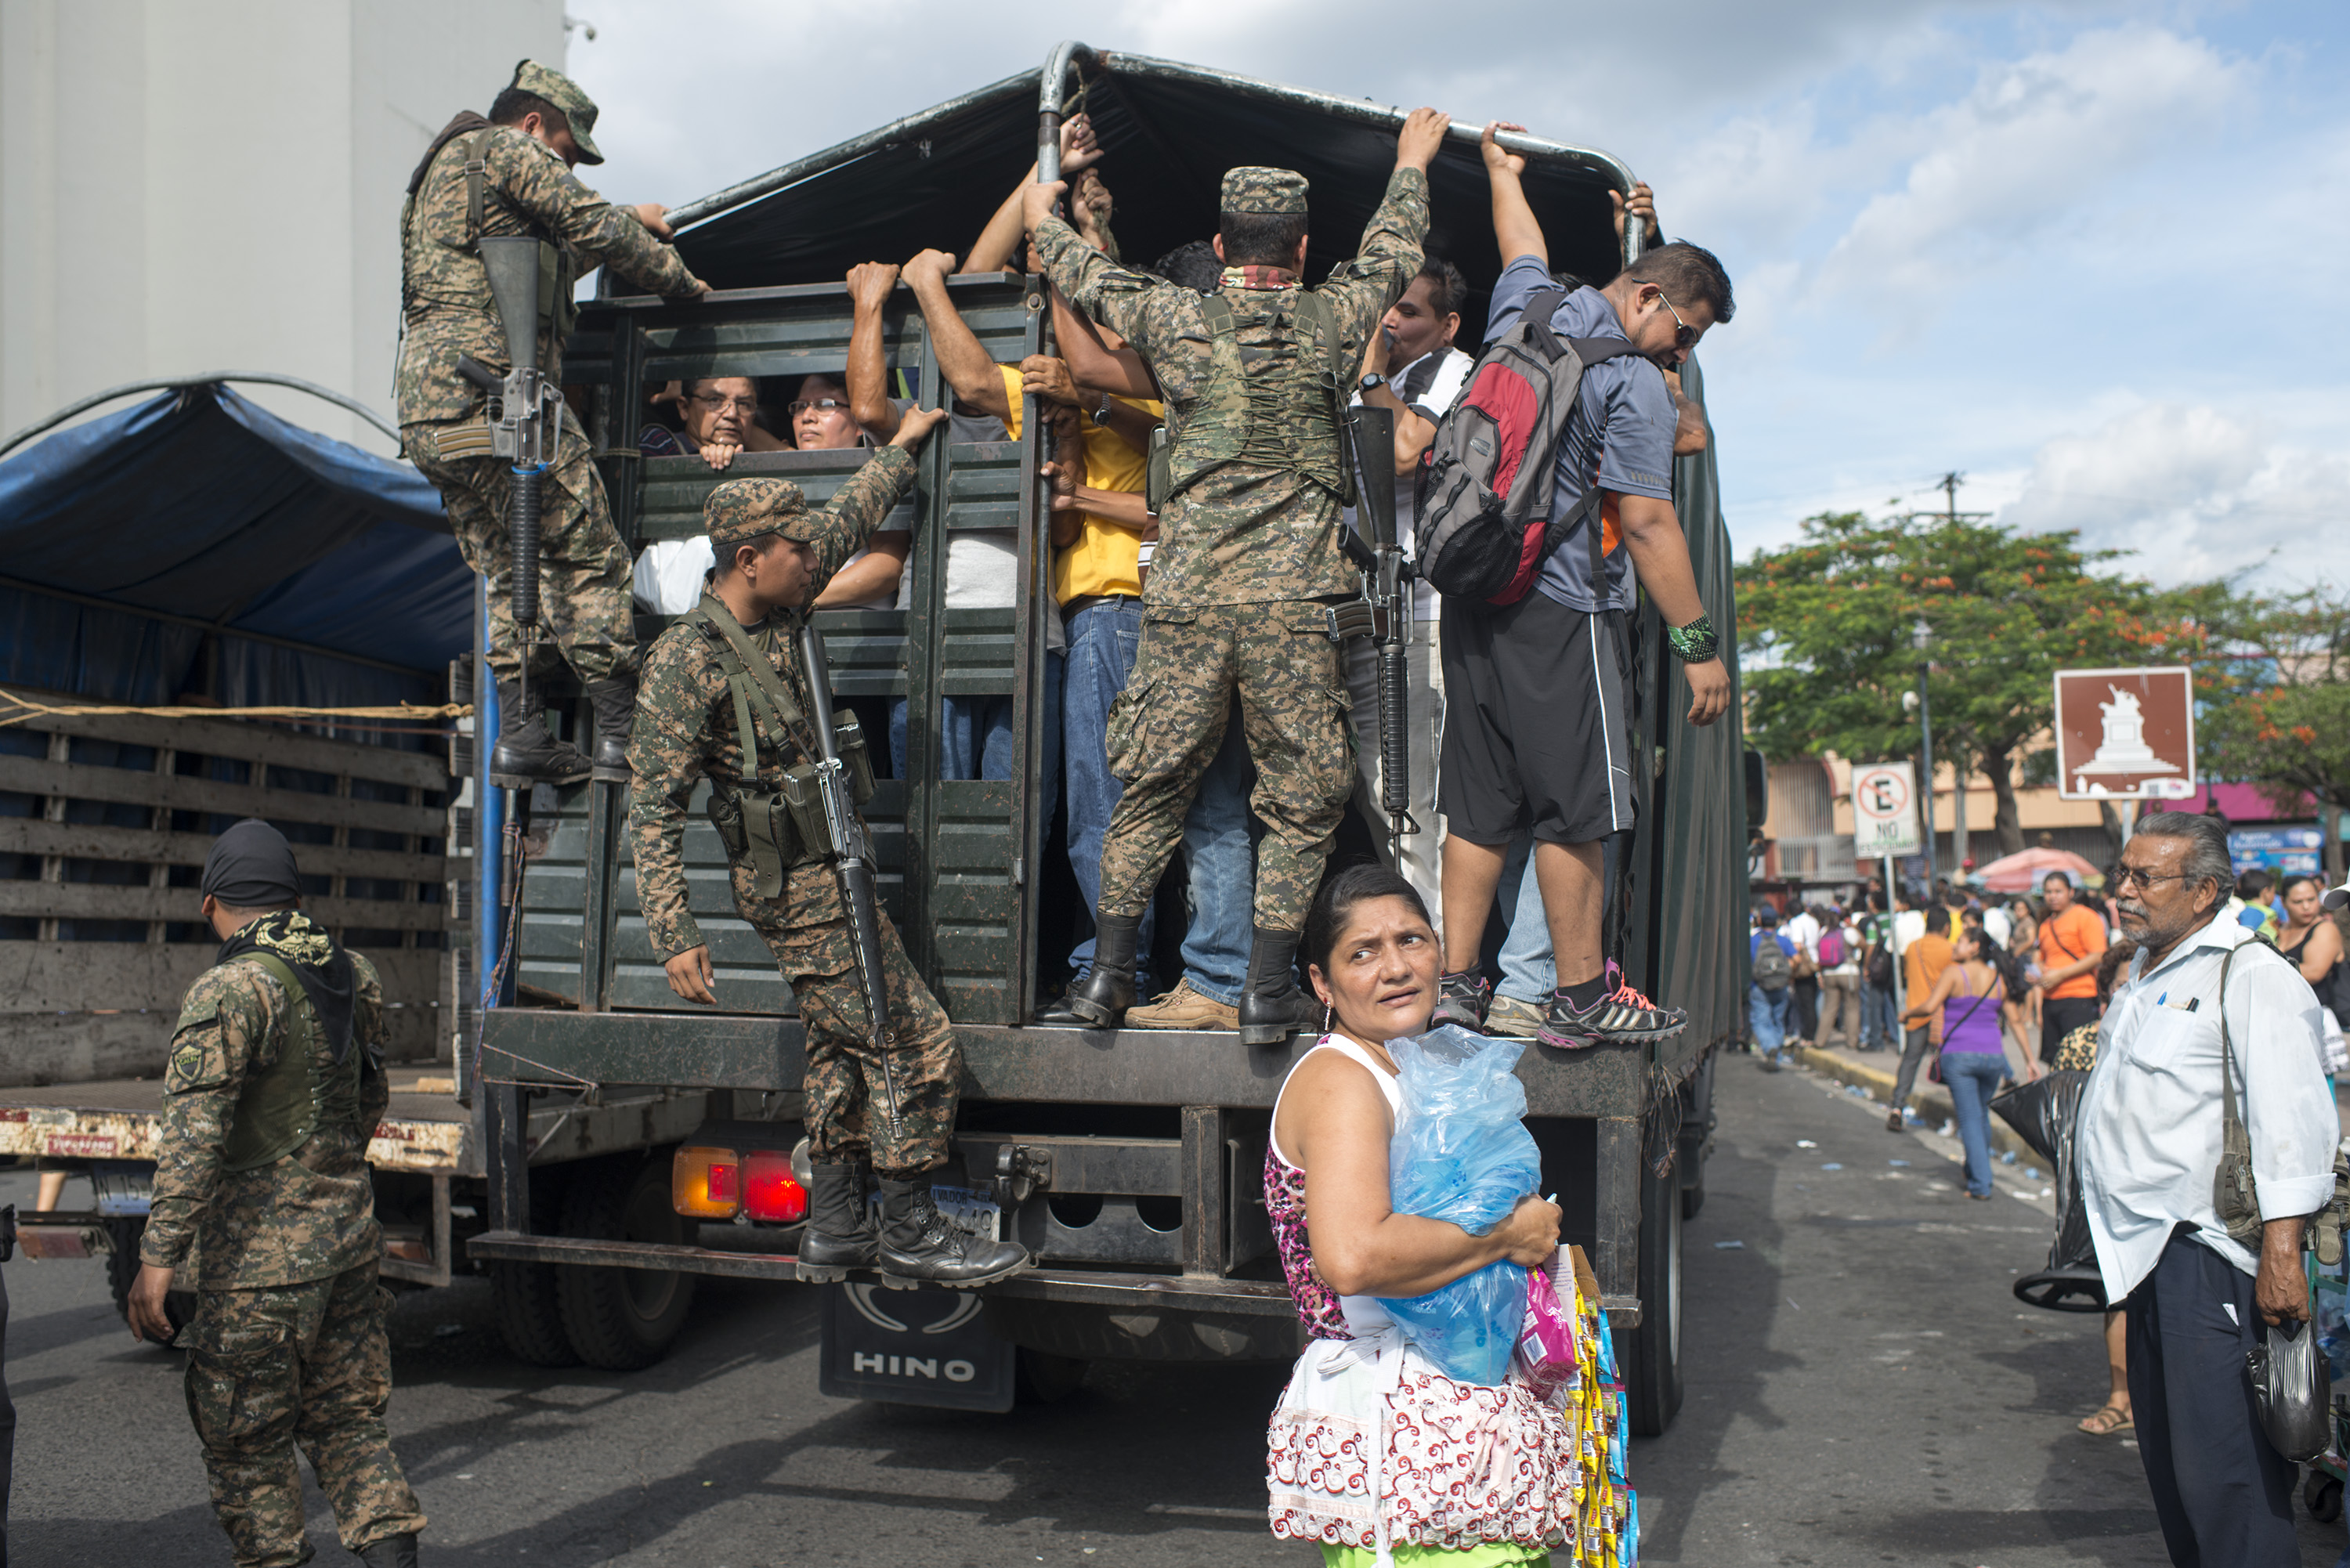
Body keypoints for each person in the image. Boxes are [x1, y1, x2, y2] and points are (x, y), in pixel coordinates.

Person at [1024, 109, 1452, 1043]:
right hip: (1294, 612)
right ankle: (1264, 989)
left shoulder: (1170, 314)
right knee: (1302, 799)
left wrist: (1045, 201)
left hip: (1185, 606)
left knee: (1151, 787)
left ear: (1220, 247)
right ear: (1301, 248)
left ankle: (1107, 978)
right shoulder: (1339, 315)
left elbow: (1073, 265)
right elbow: (1393, 245)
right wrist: (1412, 159)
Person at [627, 423, 1030, 1288]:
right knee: (908, 1036)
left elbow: (850, 514)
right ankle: (912, 1230)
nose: (814, 559)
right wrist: (673, 932)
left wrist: (904, 446)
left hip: (830, 866)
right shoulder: (684, 663)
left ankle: (839, 1226)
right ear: (747, 559)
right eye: (796, 550)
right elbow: (653, 807)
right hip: (791, 884)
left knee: (838, 1048)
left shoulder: (785, 600)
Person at [1430, 123, 1733, 1050]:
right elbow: (1646, 524)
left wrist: (1500, 171)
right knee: (1581, 808)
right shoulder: (1633, 382)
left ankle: (1455, 986)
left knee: (1479, 806)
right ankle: (1576, 996)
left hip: (1473, 594)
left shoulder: (1525, 309)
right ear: (1648, 298)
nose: (1680, 353)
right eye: (1685, 333)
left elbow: (1519, 243)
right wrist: (1698, 645)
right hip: (1564, 609)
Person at [398, 60, 707, 788]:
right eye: (565, 154)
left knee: (512, 567)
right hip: (498, 397)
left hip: (430, 411)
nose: (565, 169)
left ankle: (523, 735)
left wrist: (630, 216)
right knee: (589, 555)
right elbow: (586, 221)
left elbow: (548, 254)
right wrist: (681, 282)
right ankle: (625, 738)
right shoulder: (506, 147)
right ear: (534, 123)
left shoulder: (449, 173)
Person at [126, 820, 425, 1567]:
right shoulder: (351, 971)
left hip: (257, 1268)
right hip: (347, 1243)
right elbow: (369, 1098)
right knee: (350, 1426)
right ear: (293, 897)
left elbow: (194, 1141)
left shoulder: (229, 989)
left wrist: (157, 1261)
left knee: (248, 1448)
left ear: (210, 904)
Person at [1262, 864, 1574, 1559]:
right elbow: (1354, 1258)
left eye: (1412, 940)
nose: (1396, 968)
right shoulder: (1342, 1080)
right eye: (1362, 953)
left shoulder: (1412, 1066)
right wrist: (1506, 1235)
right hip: (1398, 1429)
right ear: (1322, 984)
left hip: (1445, 1418)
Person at [2077, 812, 2337, 1565]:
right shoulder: (2145, 968)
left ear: (2204, 892)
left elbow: (2294, 1123)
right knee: (2173, 1471)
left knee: (2227, 1477)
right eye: (2122, 873)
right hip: (2143, 1252)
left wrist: (2283, 1254)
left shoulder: (2250, 974)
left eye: (2145, 877)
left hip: (2209, 1254)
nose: (2125, 890)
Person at [1340, 254, 1476, 914]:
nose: (1390, 319)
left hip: (1419, 615)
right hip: (1360, 613)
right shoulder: (1365, 378)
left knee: (1414, 806)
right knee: (1379, 799)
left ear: (1448, 325)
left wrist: (1371, 366)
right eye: (1385, 306)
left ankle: (1438, 958)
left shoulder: (1453, 371)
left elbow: (1403, 451)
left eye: (1408, 310)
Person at [2055, 940, 2138, 1438]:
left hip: (2166, 1190)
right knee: (2118, 1295)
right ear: (2105, 991)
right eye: (2122, 985)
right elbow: (2062, 1119)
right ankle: (2120, 1396)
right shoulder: (2083, 1042)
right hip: (2104, 1189)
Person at [1912, 926, 2010, 1198]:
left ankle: (1981, 1183)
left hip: (1960, 1055)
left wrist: (1907, 1015)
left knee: (1969, 1119)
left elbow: (1930, 1006)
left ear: (1975, 947)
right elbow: (2014, 1018)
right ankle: (1974, 1170)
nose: (1955, 946)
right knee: (1980, 1115)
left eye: (1961, 941)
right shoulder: (1997, 977)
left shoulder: (1954, 973)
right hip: (1994, 1056)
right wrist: (2028, 1060)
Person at [1887, 904, 1955, 1131]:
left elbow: (1908, 976)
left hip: (1916, 1013)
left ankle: (1897, 1107)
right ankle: (1960, 1112)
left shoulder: (1912, 947)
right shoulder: (1951, 950)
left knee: (1910, 1061)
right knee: (1952, 1064)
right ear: (1946, 927)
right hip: (1942, 1016)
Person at [2035, 870, 2108, 1064]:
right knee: (2054, 1060)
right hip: (2050, 998)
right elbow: (2043, 958)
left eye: (2058, 891)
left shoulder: (2085, 917)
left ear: (2071, 892)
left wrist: (2061, 975)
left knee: (2078, 1058)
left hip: (2079, 997)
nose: (2053, 896)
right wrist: (2038, 971)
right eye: (2048, 892)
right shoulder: (2045, 925)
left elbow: (2098, 955)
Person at [639, 377, 790, 470]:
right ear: (684, 408)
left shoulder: (758, 464)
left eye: (744, 404)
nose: (732, 414)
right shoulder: (661, 445)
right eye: (715, 400)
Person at [1750, 906, 1797, 1064]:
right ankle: (1776, 1057)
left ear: (1760, 921)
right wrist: (1789, 974)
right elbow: (1797, 959)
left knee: (1761, 1022)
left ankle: (1770, 1047)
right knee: (1778, 1021)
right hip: (1781, 986)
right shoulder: (1783, 941)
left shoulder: (1753, 941)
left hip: (1759, 987)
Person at [1814, 904, 1861, 1050]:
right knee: (1851, 1008)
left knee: (1829, 1009)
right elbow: (1863, 944)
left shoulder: (1823, 933)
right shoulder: (1847, 932)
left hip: (1828, 974)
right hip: (1848, 973)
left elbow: (1818, 956)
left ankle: (1820, 1041)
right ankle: (1852, 1042)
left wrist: (1820, 975)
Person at [1859, 891, 1900, 1050]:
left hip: (1879, 968)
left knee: (1875, 1004)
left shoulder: (1873, 922)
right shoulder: (1895, 919)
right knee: (1894, 1002)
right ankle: (1897, 1036)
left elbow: (1871, 947)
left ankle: (1876, 1041)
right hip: (1894, 965)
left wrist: (1866, 967)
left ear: (1874, 904)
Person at [1782, 900, 1823, 1045]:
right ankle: (1813, 1033)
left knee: (1804, 1003)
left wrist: (1791, 968)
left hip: (1803, 966)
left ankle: (1808, 1035)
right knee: (1812, 1001)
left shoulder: (1796, 922)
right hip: (1815, 963)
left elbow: (1797, 946)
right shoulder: (1812, 920)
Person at [2236, 869, 2281, 942]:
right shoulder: (2253, 911)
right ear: (2266, 891)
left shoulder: (2259, 911)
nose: (2274, 896)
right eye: (2273, 892)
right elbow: (2244, 936)